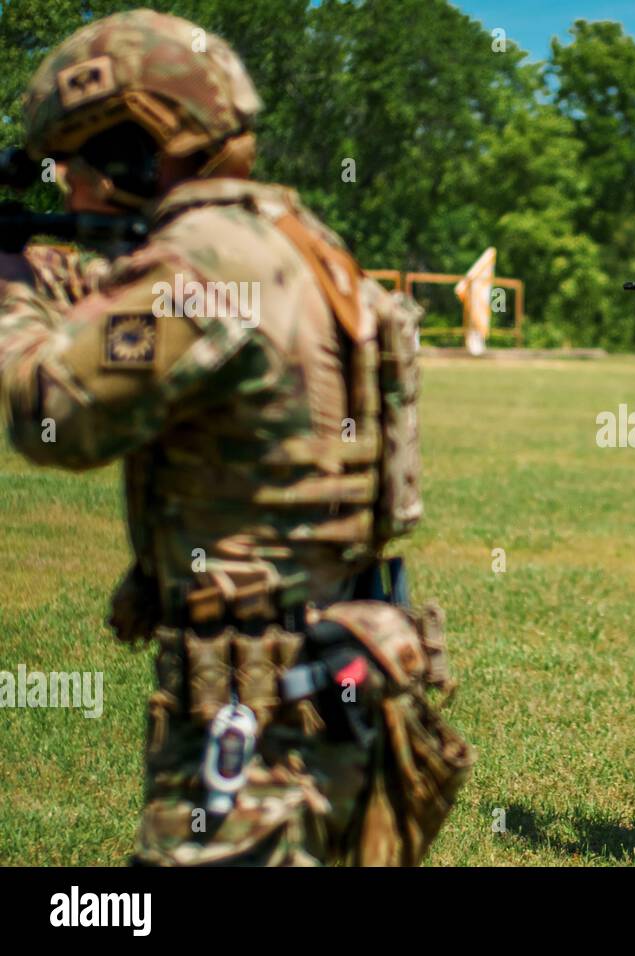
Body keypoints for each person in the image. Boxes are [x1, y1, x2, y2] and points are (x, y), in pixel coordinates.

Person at [0, 9, 472, 865]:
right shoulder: (296, 240)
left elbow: (55, 417)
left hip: (252, 727)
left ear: (136, 145)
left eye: (70, 162)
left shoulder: (201, 261)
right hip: (342, 685)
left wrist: (13, 295)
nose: (64, 189)